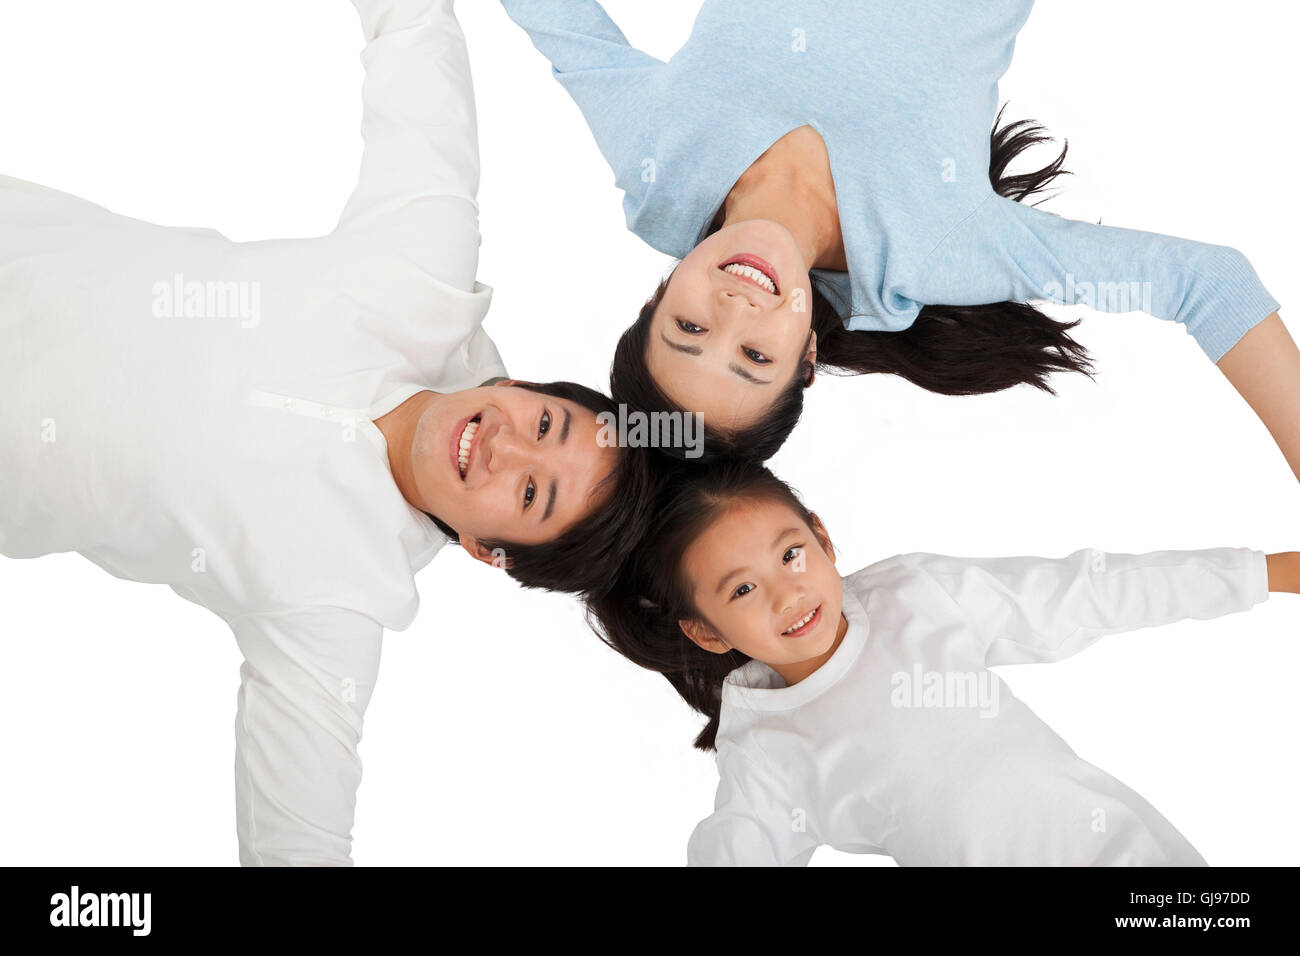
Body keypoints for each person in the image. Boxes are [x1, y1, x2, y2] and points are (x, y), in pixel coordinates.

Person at [0, 0, 651, 865]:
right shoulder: (419, 275)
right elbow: (414, 32)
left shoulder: (331, 607)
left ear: (489, 550)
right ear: (526, 386)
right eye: (544, 422)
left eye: (530, 493)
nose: (507, 445)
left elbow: (296, 843)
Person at [499, 0, 1299, 468]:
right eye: (754, 356)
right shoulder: (934, 249)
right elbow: (1210, 284)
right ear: (807, 355)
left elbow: (557, 20)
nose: (737, 308)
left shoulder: (657, 160)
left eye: (691, 328)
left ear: (661, 291)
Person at [586, 461, 1295, 865]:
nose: (786, 591)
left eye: (791, 553)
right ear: (708, 632)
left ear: (823, 539)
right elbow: (741, 850)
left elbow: (1086, 592)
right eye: (742, 590)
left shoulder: (915, 598)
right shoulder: (768, 748)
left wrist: (1266, 572)